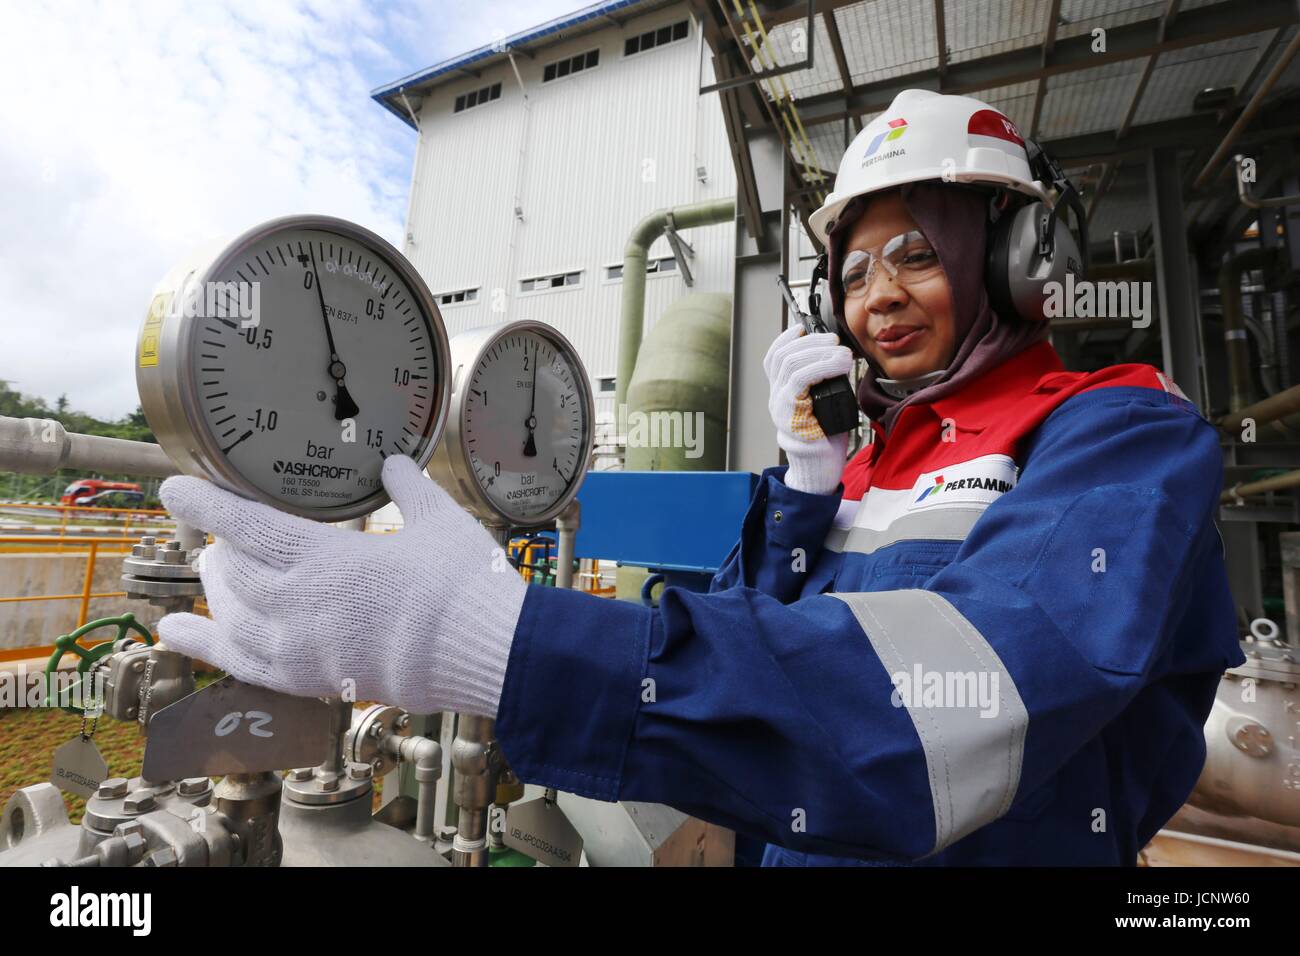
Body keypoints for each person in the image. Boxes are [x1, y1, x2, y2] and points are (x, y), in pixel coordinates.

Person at [157, 89, 1245, 866]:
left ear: (1019, 259)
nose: (877, 298)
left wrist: (507, 641)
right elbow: (733, 640)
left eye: (918, 253)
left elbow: (945, 719)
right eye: (854, 271)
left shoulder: (1117, 437)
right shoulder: (862, 452)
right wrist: (803, 495)